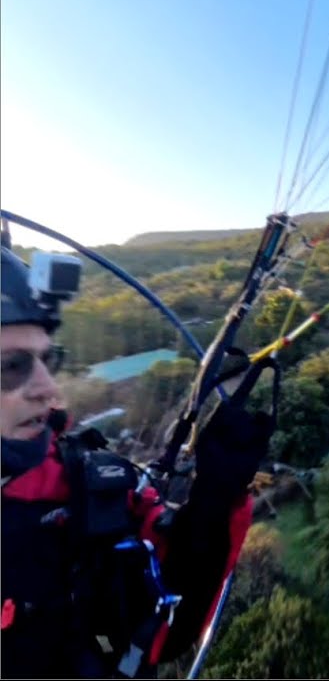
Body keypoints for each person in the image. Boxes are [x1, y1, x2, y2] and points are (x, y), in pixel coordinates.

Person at [1, 245, 272, 678]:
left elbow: (167, 626)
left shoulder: (89, 483)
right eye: (11, 366)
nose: (49, 389)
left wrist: (214, 497)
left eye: (49, 359)